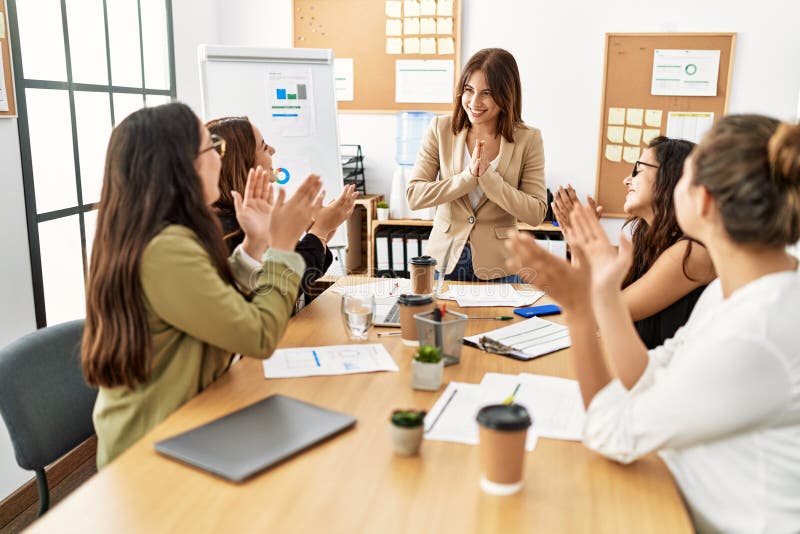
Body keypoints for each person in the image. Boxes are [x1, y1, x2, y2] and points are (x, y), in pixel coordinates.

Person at [507, 115, 800, 533]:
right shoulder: (738, 291)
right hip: (679, 491)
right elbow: (648, 375)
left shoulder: (758, 331)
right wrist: (602, 292)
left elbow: (612, 433)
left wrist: (578, 311)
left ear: (703, 201)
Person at [82, 103, 323, 468]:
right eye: (212, 145)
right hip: (153, 447)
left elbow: (214, 302)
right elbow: (257, 337)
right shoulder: (165, 248)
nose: (219, 158)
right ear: (181, 165)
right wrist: (283, 245)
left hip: (189, 420)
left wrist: (256, 243)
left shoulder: (163, 235)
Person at [552, 137, 715, 348]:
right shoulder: (645, 242)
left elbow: (597, 313)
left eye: (638, 170)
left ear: (672, 177)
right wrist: (577, 243)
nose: (626, 180)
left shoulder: (691, 253)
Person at [406, 48, 547, 282]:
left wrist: (490, 179)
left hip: (501, 266)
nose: (474, 102)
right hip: (445, 260)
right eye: (469, 90)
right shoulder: (440, 129)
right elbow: (414, 195)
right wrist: (467, 178)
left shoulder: (528, 138)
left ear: (506, 95)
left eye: (487, 93)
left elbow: (536, 213)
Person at [206, 116, 357, 303]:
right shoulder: (231, 229)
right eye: (263, 147)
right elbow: (284, 282)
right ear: (244, 164)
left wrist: (320, 230)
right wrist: (320, 231)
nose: (273, 150)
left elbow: (301, 269)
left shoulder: (251, 216)